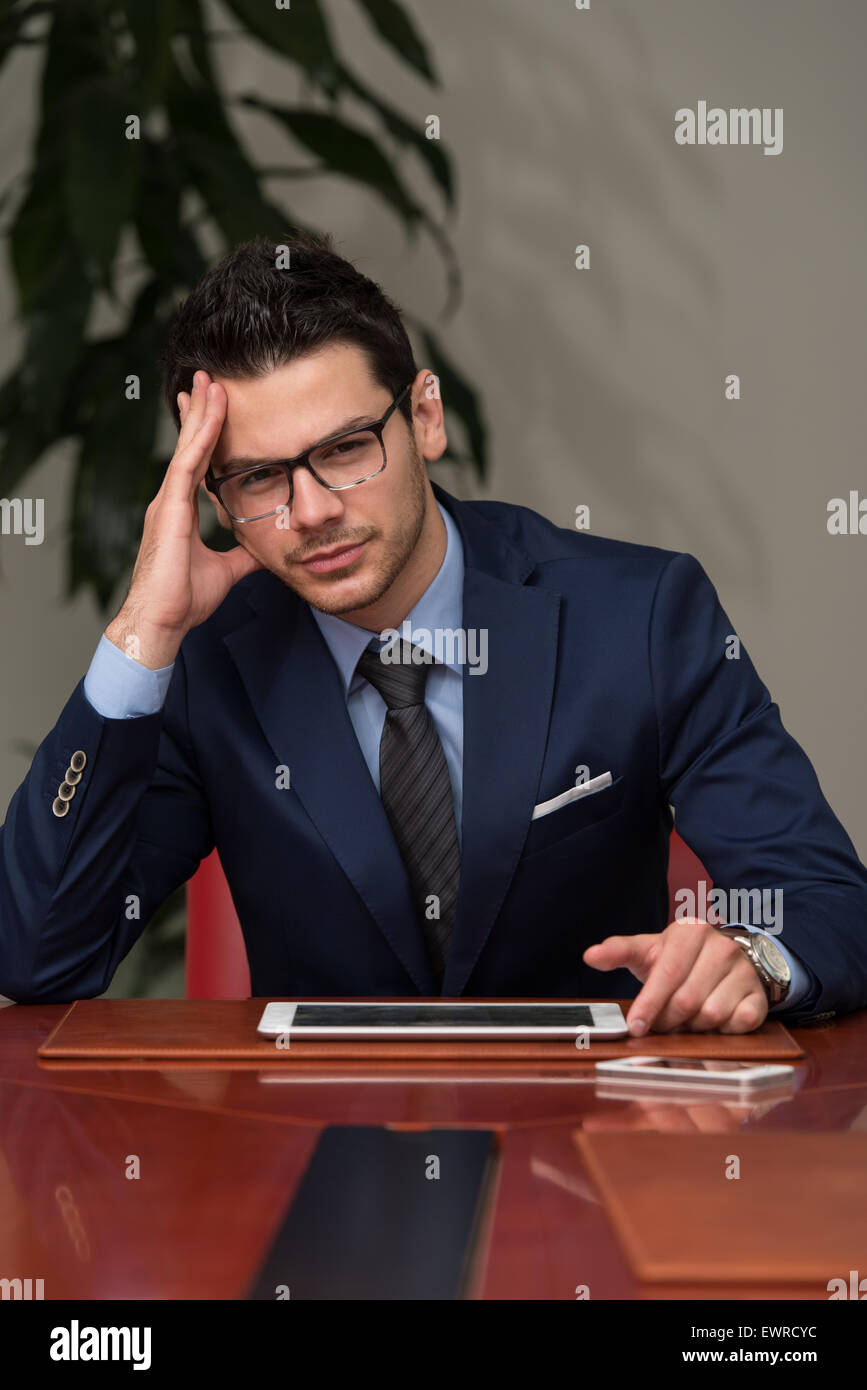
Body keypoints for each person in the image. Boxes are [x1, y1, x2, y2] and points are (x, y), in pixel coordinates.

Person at [2, 233, 866, 1033]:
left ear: (423, 418)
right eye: (259, 477)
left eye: (343, 449)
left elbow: (829, 902)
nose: (310, 513)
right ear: (216, 500)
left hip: (592, 1144)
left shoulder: (638, 615)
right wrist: (140, 633)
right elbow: (38, 955)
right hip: (317, 1159)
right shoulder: (202, 665)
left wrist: (753, 959)